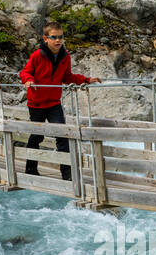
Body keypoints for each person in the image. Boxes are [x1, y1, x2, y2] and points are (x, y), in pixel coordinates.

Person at [18, 22, 102, 180]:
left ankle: (67, 173)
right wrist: (28, 80)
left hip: (54, 103)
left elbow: (67, 77)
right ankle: (31, 169)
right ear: (45, 39)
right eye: (54, 37)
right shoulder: (37, 55)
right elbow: (25, 72)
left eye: (61, 37)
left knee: (62, 135)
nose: (58, 40)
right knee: (37, 136)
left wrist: (87, 80)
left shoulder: (65, 56)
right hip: (36, 103)